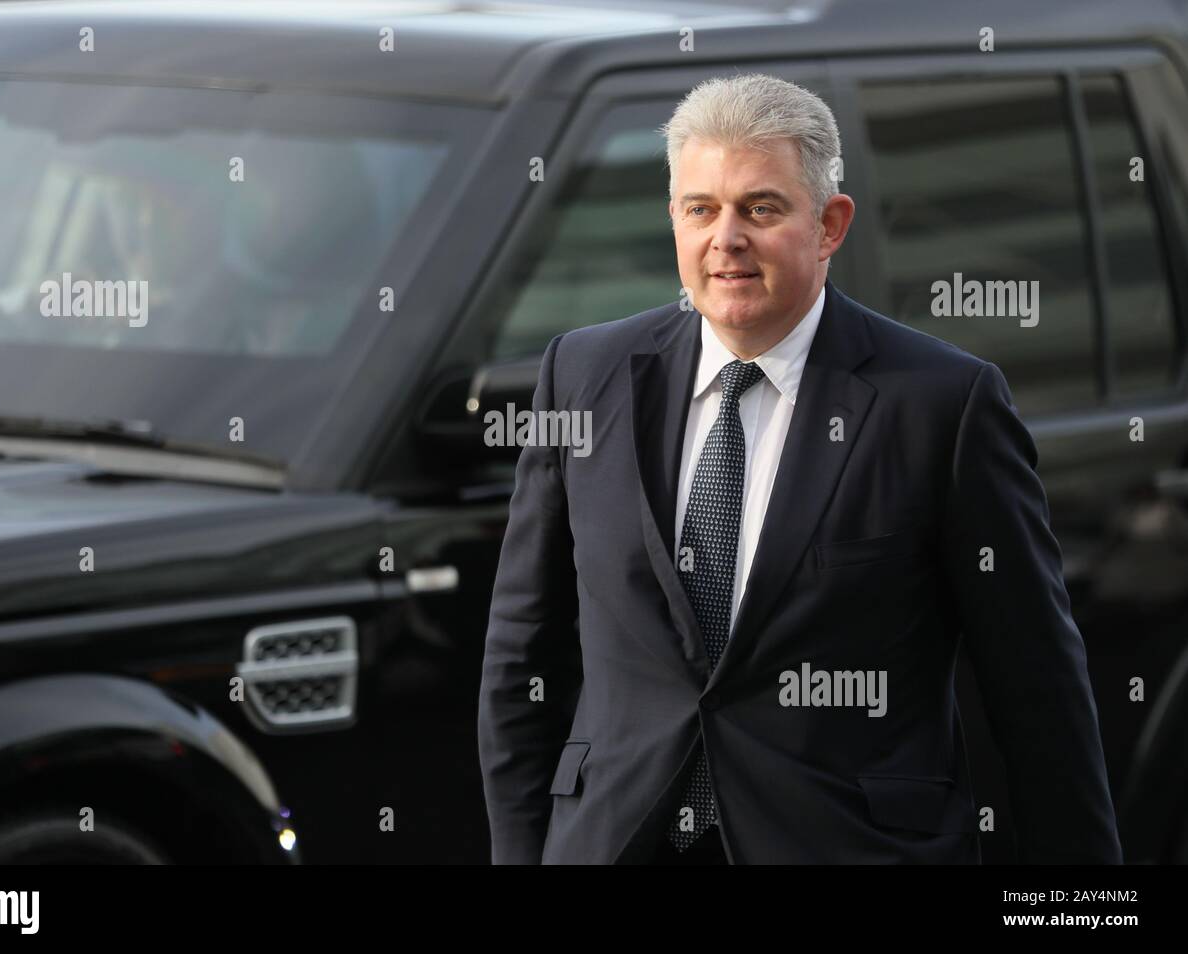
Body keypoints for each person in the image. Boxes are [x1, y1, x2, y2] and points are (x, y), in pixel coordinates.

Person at [477, 73, 1122, 865]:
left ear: (830, 225)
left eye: (761, 207)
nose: (726, 239)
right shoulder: (581, 374)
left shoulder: (941, 404)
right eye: (700, 208)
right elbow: (520, 654)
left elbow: (1037, 688)